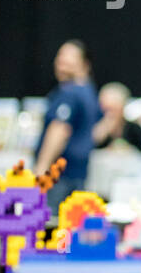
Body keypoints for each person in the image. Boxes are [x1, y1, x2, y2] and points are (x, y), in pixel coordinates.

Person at [34, 40, 101, 209]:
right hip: (78, 174)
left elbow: (59, 129)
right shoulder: (90, 93)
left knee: (50, 227)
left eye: (69, 57)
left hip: (58, 176)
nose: (61, 61)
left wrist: (41, 169)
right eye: (60, 57)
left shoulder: (69, 93)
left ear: (84, 64)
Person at [93, 82, 141, 152]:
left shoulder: (134, 129)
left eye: (113, 109)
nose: (110, 114)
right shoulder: (96, 127)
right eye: (106, 109)